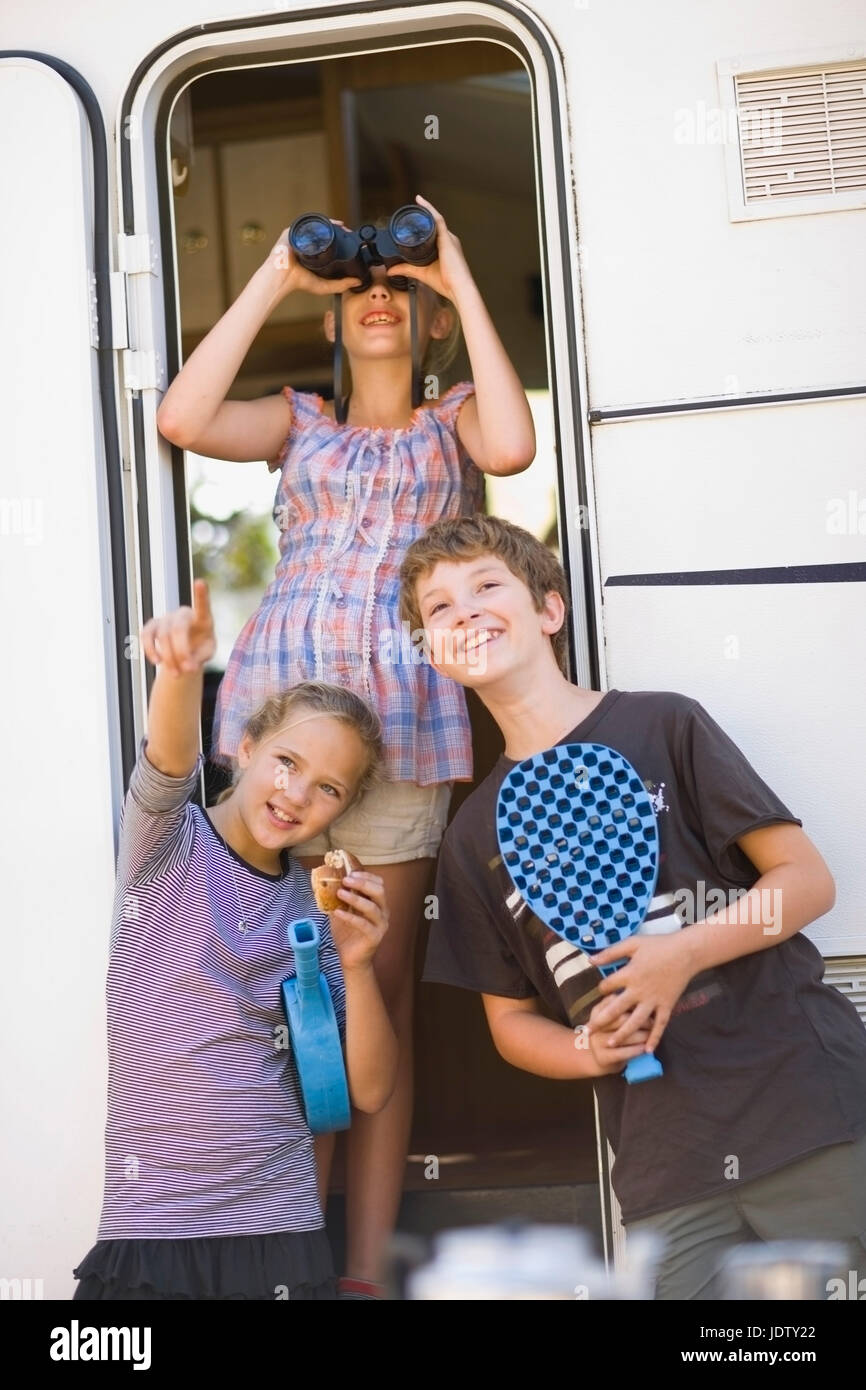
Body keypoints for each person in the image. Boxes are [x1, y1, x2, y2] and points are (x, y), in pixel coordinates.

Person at [156, 195, 535, 1296]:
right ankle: (287, 1259)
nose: (378, 295)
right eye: (360, 284)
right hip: (276, 751)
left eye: (397, 290)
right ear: (334, 314)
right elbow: (182, 416)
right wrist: (280, 269)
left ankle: (360, 1274)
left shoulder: (451, 419)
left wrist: (449, 271)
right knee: (287, 1008)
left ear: (423, 325)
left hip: (403, 746)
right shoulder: (299, 423)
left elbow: (512, 443)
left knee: (377, 1006)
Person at [398, 513, 866, 1300]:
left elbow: (805, 880)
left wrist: (680, 954)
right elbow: (511, 1025)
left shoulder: (663, 724)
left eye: (486, 585)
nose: (464, 610)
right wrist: (590, 1051)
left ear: (549, 609)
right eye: (438, 608)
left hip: (806, 1113)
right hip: (665, 1167)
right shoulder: (471, 834)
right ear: (434, 654)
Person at [72, 581, 398, 1300]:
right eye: (286, 762)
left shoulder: (310, 917)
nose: (296, 794)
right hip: (150, 1228)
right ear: (245, 746)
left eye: (328, 789)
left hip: (279, 1235)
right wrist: (183, 670)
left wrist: (361, 964)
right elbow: (167, 761)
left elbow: (369, 1092)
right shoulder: (166, 845)